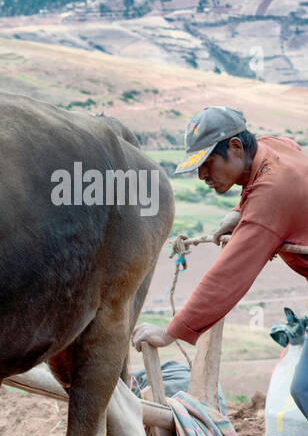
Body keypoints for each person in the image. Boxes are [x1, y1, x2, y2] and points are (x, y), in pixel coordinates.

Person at [132, 107, 308, 416]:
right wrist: (241, 212)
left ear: (236, 148)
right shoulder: (273, 146)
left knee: (305, 389)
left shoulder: (270, 194)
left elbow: (228, 276)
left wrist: (170, 332)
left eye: (208, 163)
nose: (202, 176)